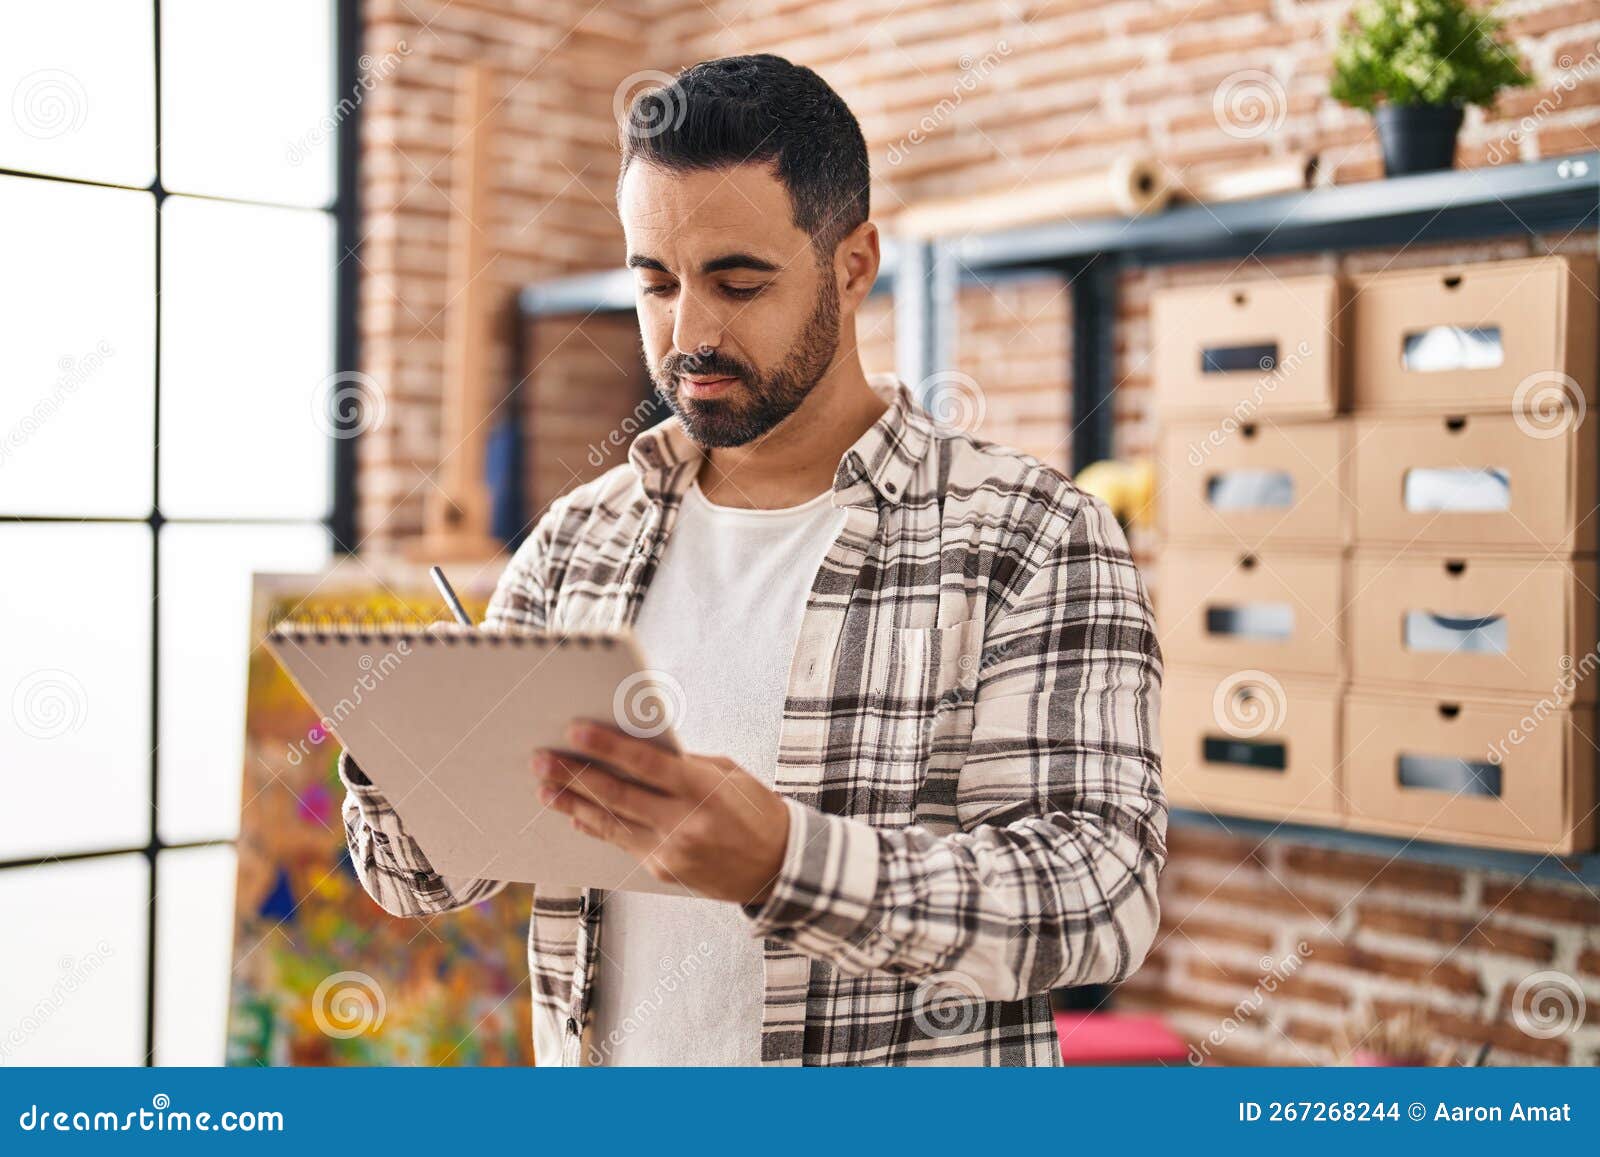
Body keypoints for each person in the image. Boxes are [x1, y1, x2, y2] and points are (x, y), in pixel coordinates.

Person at [339, 52, 1166, 1067]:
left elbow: (1097, 900)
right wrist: (399, 746)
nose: (688, 332)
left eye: (737, 281)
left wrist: (784, 860)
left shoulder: (1032, 536)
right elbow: (419, 880)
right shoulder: (573, 543)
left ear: (854, 262)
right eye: (655, 283)